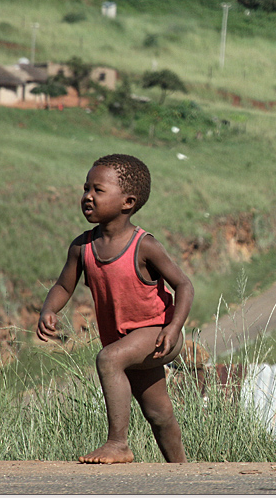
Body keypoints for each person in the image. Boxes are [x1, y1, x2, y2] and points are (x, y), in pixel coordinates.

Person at [37, 153, 194, 464]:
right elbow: (63, 287)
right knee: (159, 414)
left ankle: (118, 444)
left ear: (128, 202)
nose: (88, 196)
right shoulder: (81, 247)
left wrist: (174, 328)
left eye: (98, 190)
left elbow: (184, 285)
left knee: (109, 359)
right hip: (125, 342)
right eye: (86, 188)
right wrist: (48, 310)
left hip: (158, 333)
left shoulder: (144, 245)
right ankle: (182, 473)